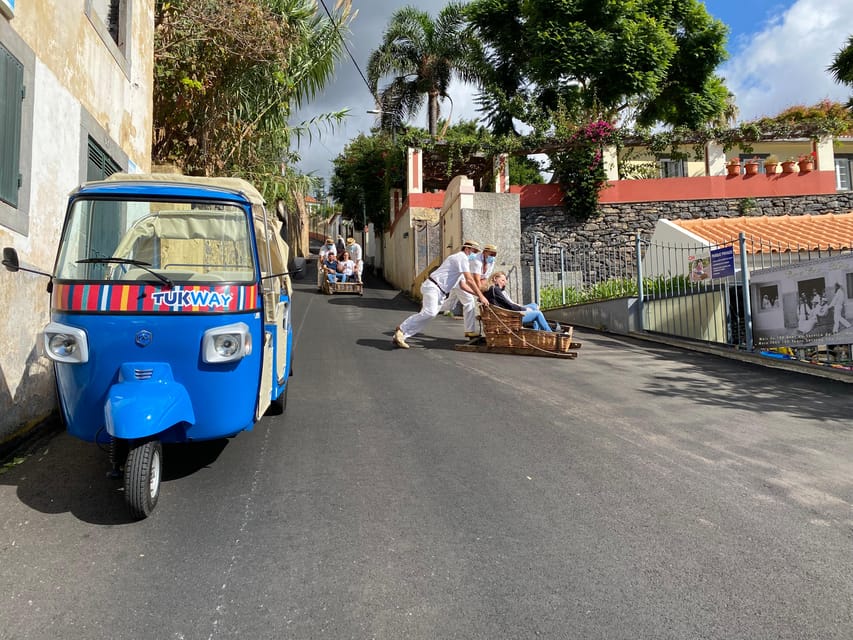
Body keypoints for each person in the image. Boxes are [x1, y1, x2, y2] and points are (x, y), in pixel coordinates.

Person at [392, 240, 489, 349]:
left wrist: (478, 296)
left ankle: (401, 337)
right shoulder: (461, 257)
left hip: (439, 292)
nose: (475, 255)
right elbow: (470, 280)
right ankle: (401, 329)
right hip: (434, 287)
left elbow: (463, 285)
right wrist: (481, 296)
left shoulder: (461, 263)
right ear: (467, 249)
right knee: (430, 312)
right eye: (474, 251)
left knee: (428, 316)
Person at [440, 243, 498, 337]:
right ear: (485, 252)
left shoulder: (491, 261)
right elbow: (476, 279)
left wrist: (484, 292)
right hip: (462, 281)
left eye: (495, 254)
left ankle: (431, 306)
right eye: (491, 254)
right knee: (469, 301)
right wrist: (481, 295)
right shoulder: (477, 260)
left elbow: (484, 278)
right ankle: (469, 331)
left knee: (450, 305)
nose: (493, 257)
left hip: (467, 282)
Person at [484, 271, 552, 332]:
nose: (505, 283)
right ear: (495, 278)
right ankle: (550, 333)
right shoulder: (495, 290)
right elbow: (509, 305)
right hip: (509, 317)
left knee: (534, 306)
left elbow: (506, 304)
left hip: (505, 314)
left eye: (505, 281)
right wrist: (524, 309)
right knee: (538, 313)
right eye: (502, 280)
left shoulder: (490, 289)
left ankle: (536, 331)